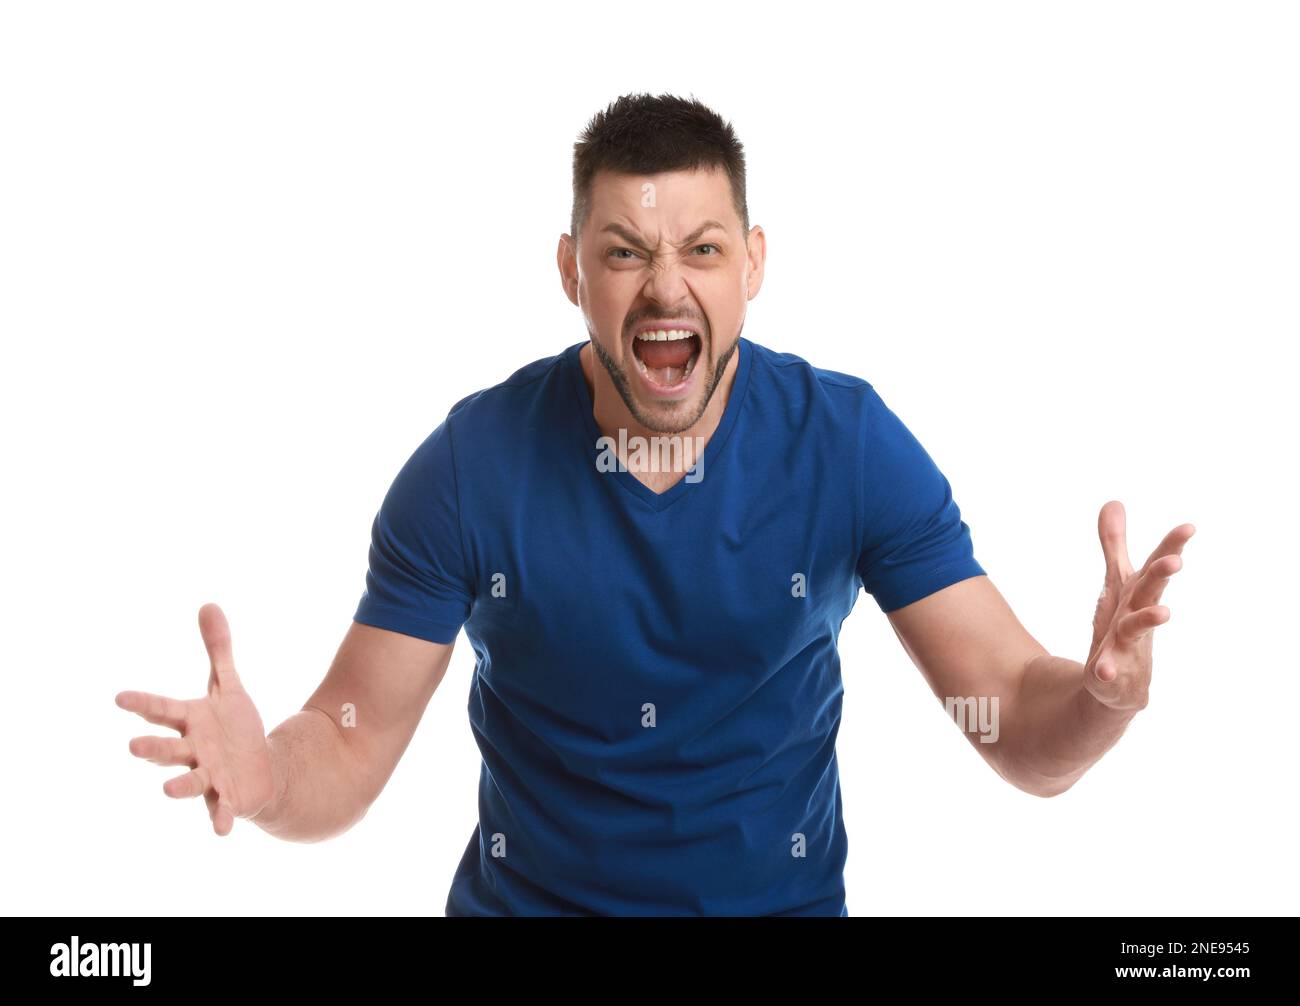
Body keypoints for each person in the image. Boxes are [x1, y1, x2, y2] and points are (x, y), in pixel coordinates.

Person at [117, 92, 1194, 916]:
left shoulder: (849, 445)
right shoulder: (467, 466)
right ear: (570, 270)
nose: (665, 287)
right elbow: (348, 742)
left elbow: (1007, 713)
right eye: (623, 253)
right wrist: (265, 779)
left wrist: (1098, 699)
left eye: (703, 250)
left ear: (753, 265)